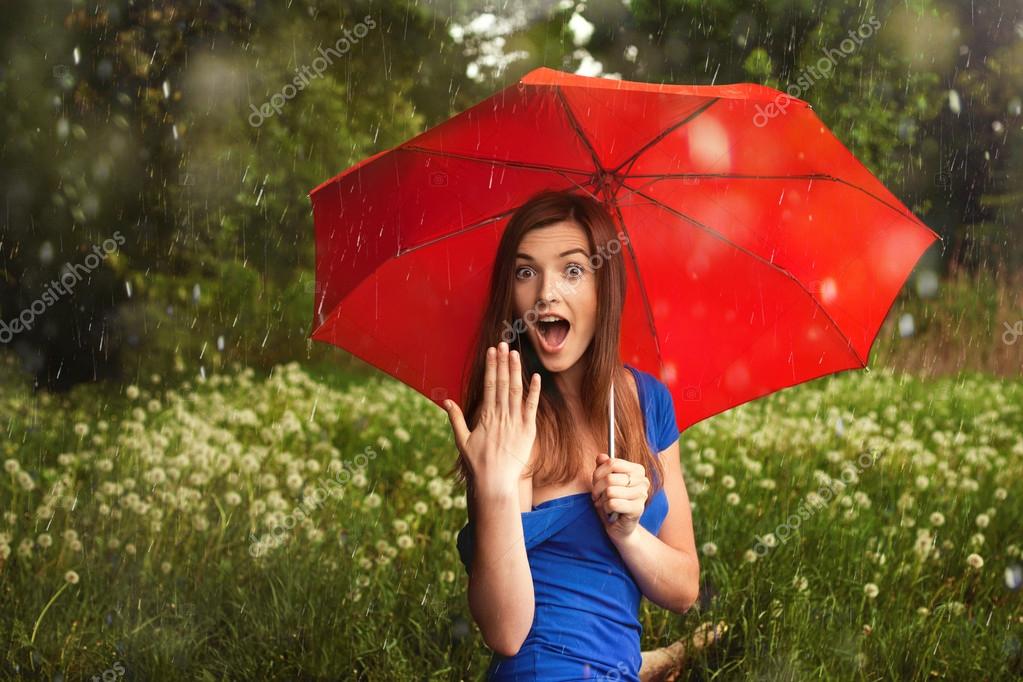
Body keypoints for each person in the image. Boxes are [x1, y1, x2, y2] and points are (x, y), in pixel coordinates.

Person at [441, 189, 700, 680]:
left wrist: (627, 533)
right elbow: (505, 632)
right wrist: (496, 489)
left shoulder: (649, 402)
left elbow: (684, 588)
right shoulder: (508, 411)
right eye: (525, 271)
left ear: (606, 287)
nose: (545, 293)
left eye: (573, 270)